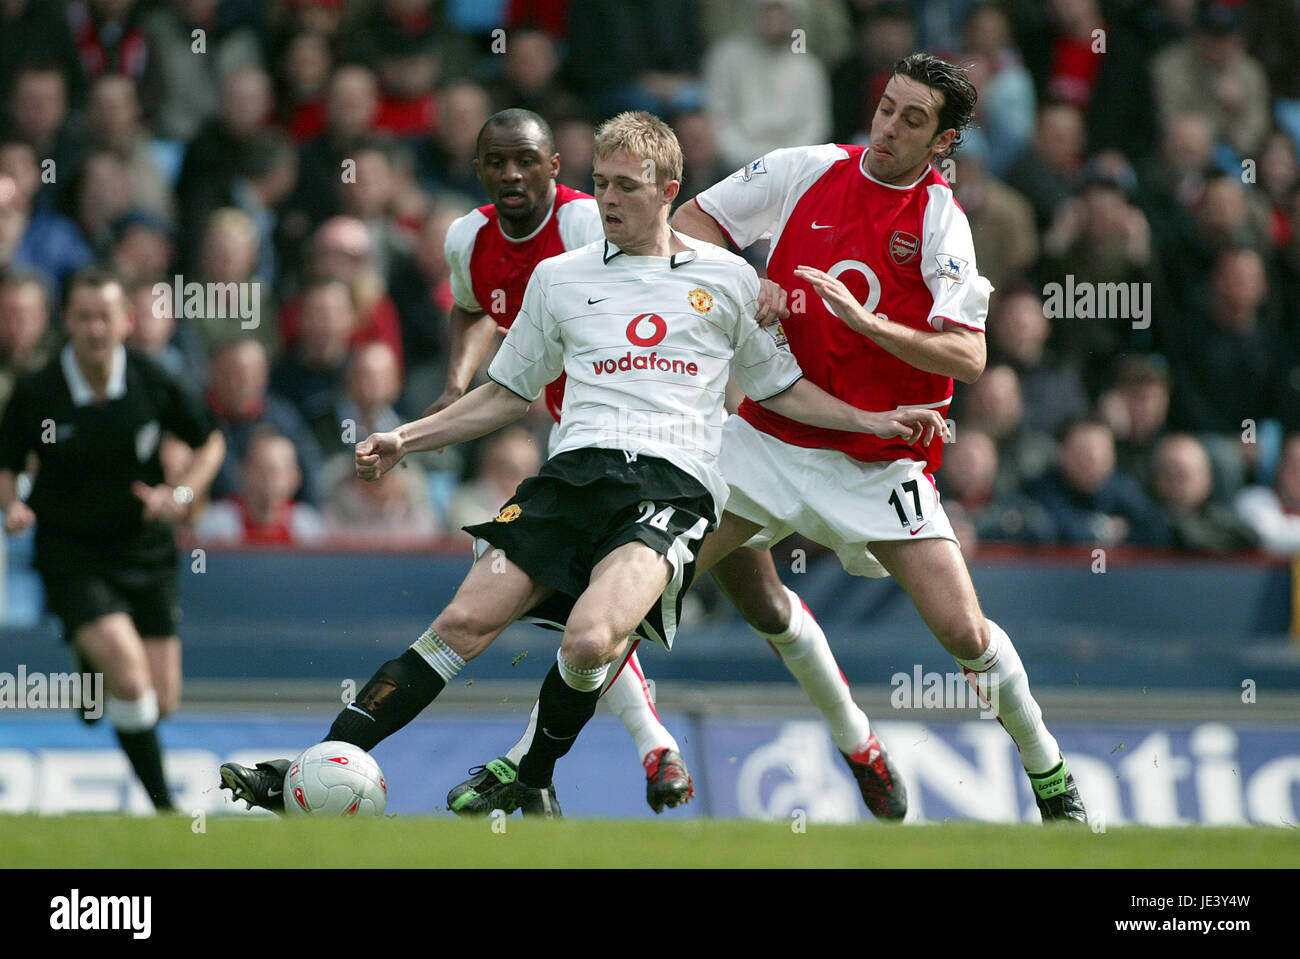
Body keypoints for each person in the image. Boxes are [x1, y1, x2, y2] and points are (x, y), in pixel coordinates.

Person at [218, 110, 945, 818]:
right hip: (569, 477)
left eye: (628, 185)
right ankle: (319, 761)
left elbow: (782, 388)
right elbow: (506, 394)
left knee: (593, 637)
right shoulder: (560, 278)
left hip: (669, 488)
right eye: (601, 183)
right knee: (461, 622)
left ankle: (532, 776)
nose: (609, 199)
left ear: (668, 189)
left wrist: (870, 421)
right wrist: (409, 438)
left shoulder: (727, 279)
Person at [435, 108, 913, 820]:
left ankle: (855, 739)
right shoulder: (471, 238)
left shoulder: (585, 225)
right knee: (600, 611)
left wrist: (764, 298)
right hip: (586, 448)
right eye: (497, 164)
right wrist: (459, 375)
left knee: (763, 605)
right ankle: (636, 748)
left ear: (552, 171)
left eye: (524, 163)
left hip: (679, 453)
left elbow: (689, 249)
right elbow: (476, 307)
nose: (512, 177)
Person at [667, 52, 1088, 822]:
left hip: (877, 458)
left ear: (944, 142)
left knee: (964, 631)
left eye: (912, 119)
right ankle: (538, 762)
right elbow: (691, 223)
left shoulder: (940, 220)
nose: (888, 126)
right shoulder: (806, 169)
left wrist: (871, 325)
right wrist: (742, 275)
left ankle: (1051, 774)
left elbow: (969, 352)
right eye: (887, 106)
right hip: (767, 435)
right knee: (643, 589)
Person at [0, 267, 226, 812]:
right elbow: (7, 464)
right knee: (129, 678)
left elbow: (209, 440)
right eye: (83, 317)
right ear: (67, 322)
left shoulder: (153, 379)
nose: (95, 329)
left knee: (161, 699)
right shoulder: (38, 391)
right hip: (72, 556)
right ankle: (165, 811)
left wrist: (178, 495)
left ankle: (90, 673)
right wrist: (11, 505)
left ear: (125, 321)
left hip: (145, 552)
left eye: (105, 316)